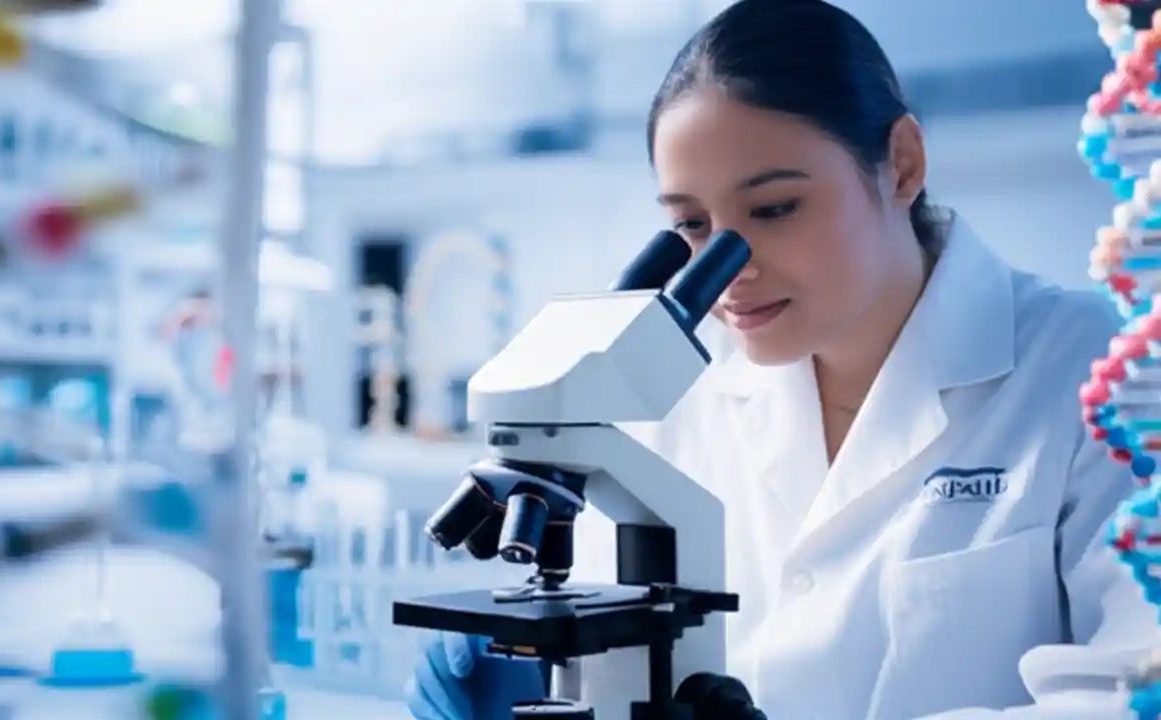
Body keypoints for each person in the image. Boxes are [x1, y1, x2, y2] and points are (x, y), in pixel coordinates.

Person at [406, 0, 1157, 717]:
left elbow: (1128, 693)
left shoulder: (1098, 372)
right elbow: (613, 639)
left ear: (900, 165)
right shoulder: (672, 396)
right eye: (692, 226)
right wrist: (540, 677)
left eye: (773, 209)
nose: (730, 267)